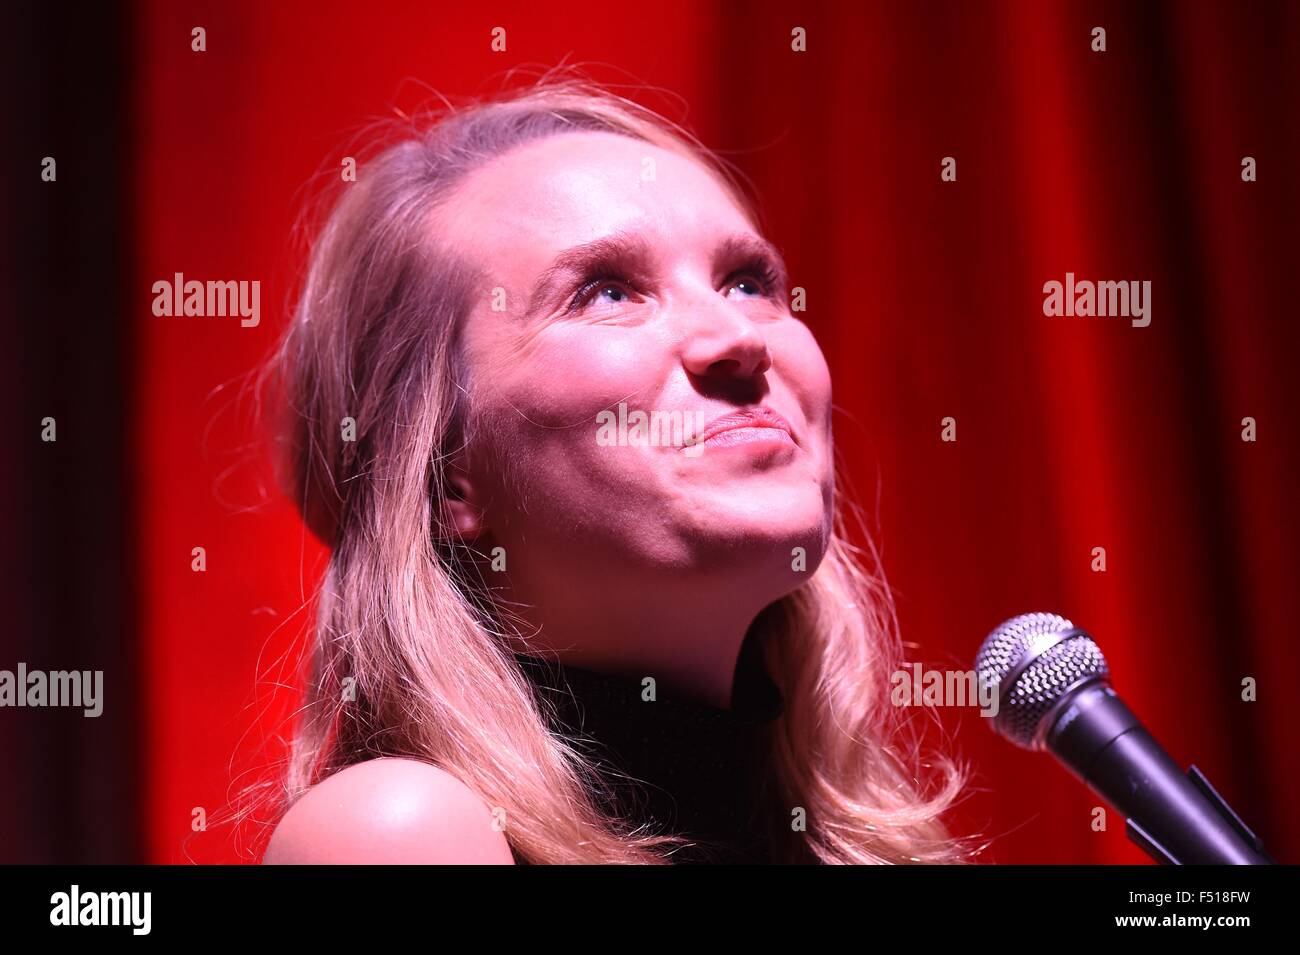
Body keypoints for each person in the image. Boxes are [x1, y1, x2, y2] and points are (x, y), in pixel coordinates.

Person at [259, 72, 969, 864]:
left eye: (748, 280)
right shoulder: (402, 830)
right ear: (446, 474)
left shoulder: (842, 840)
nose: (739, 336)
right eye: (604, 294)